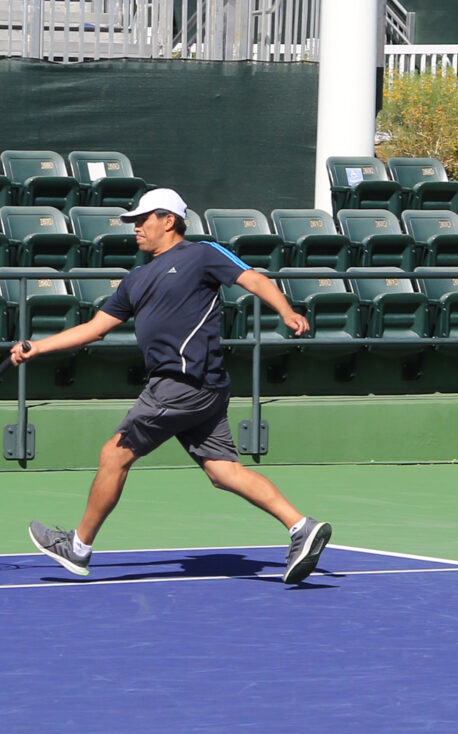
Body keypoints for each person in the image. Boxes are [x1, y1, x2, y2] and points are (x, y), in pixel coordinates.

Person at [16, 188, 332, 584]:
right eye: (134, 223)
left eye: (143, 220)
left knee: (113, 456)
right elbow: (95, 329)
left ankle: (77, 547)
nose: (136, 229)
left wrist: (286, 311)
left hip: (179, 383)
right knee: (223, 471)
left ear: (169, 220)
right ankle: (300, 526)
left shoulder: (202, 254)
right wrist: (37, 347)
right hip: (205, 388)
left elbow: (252, 279)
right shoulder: (135, 280)